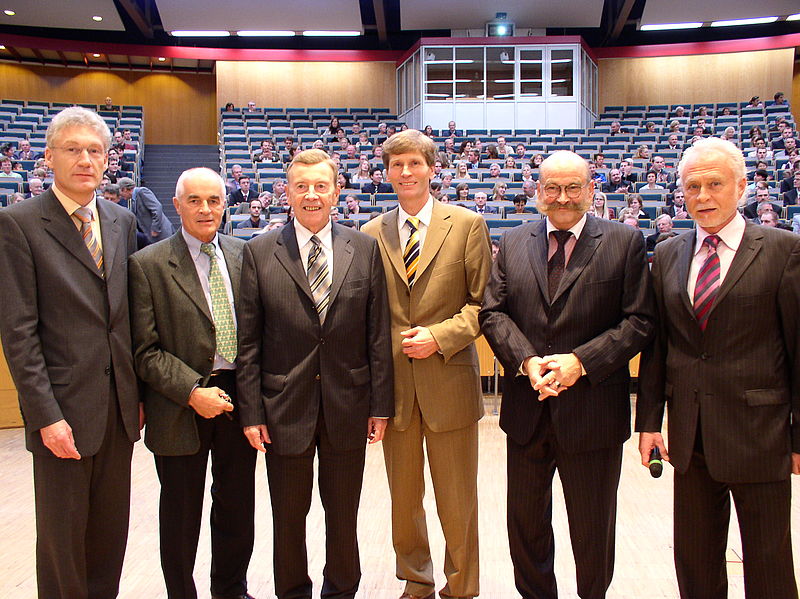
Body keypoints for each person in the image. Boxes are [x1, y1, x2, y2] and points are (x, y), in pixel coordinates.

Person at [479, 150, 655, 599]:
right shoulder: (514, 242)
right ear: (538, 192)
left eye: (573, 187)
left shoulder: (623, 241)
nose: (562, 197)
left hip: (592, 414)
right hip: (528, 411)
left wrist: (581, 362)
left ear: (591, 190)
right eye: (552, 188)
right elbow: (493, 312)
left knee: (593, 529)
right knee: (526, 527)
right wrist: (525, 360)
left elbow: (638, 321)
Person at [637, 136, 800, 598]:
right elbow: (659, 346)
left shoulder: (783, 250)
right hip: (691, 439)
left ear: (742, 187)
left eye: (714, 184)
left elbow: (798, 349)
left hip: (760, 435)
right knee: (696, 564)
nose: (702, 196)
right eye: (692, 186)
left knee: (768, 566)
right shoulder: (669, 253)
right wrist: (649, 421)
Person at [237, 149, 394, 599]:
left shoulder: (363, 248)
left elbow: (377, 334)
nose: (311, 195)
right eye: (301, 186)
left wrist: (380, 404)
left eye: (320, 186)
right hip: (283, 407)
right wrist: (251, 411)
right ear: (286, 192)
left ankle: (342, 591)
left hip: (350, 404)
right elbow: (249, 341)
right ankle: (292, 592)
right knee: (288, 516)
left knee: (343, 514)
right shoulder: (259, 251)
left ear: (336, 191)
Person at [0, 106, 140, 598]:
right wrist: (44, 415)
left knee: (109, 538)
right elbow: (19, 332)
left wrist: (135, 393)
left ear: (107, 160)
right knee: (62, 543)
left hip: (118, 410)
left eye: (95, 151)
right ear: (50, 157)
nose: (85, 159)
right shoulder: (18, 223)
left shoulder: (121, 220)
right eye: (73, 149)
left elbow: (125, 316)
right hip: (61, 411)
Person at [361, 129, 492, 599]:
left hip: (449, 383)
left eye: (414, 163)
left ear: (432, 169)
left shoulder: (467, 225)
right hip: (393, 389)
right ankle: (416, 580)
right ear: (387, 173)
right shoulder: (370, 234)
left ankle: (462, 586)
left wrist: (439, 336)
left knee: (458, 501)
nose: (405, 173)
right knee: (403, 501)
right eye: (396, 165)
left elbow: (483, 304)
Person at [128, 167, 258, 599]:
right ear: (177, 205)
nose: (205, 209)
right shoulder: (147, 264)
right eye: (195, 201)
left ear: (225, 204)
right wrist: (191, 391)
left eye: (214, 200)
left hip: (240, 399)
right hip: (179, 402)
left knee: (237, 508)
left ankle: (231, 591)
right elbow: (144, 351)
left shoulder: (245, 254)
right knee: (181, 513)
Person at [118, 177, 175, 243]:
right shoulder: (134, 200)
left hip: (162, 234)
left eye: (120, 192)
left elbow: (157, 208)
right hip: (152, 237)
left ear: (124, 189)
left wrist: (155, 228)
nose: (120, 196)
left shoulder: (142, 192)